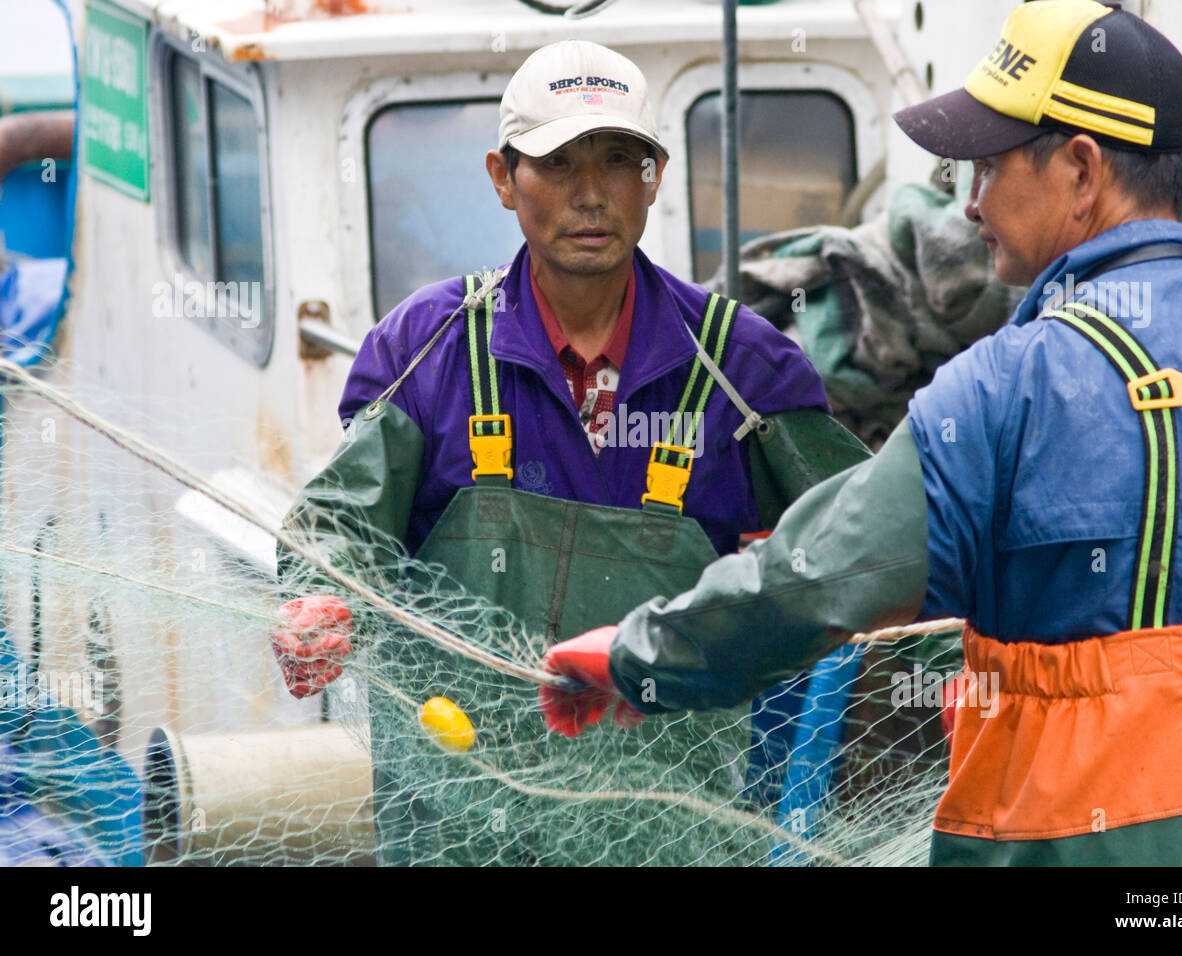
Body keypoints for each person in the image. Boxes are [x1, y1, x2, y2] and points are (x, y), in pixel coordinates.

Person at [539, 0, 1182, 866]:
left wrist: (638, 656)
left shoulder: (1000, 390)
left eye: (987, 167)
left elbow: (811, 583)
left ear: (1083, 171)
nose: (970, 205)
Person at [271, 39, 867, 862]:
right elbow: (337, 526)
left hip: (673, 840)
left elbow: (859, 544)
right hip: (454, 835)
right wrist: (316, 599)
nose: (591, 193)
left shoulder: (743, 370)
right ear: (503, 177)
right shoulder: (430, 343)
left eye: (619, 159)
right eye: (557, 163)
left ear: (653, 176)